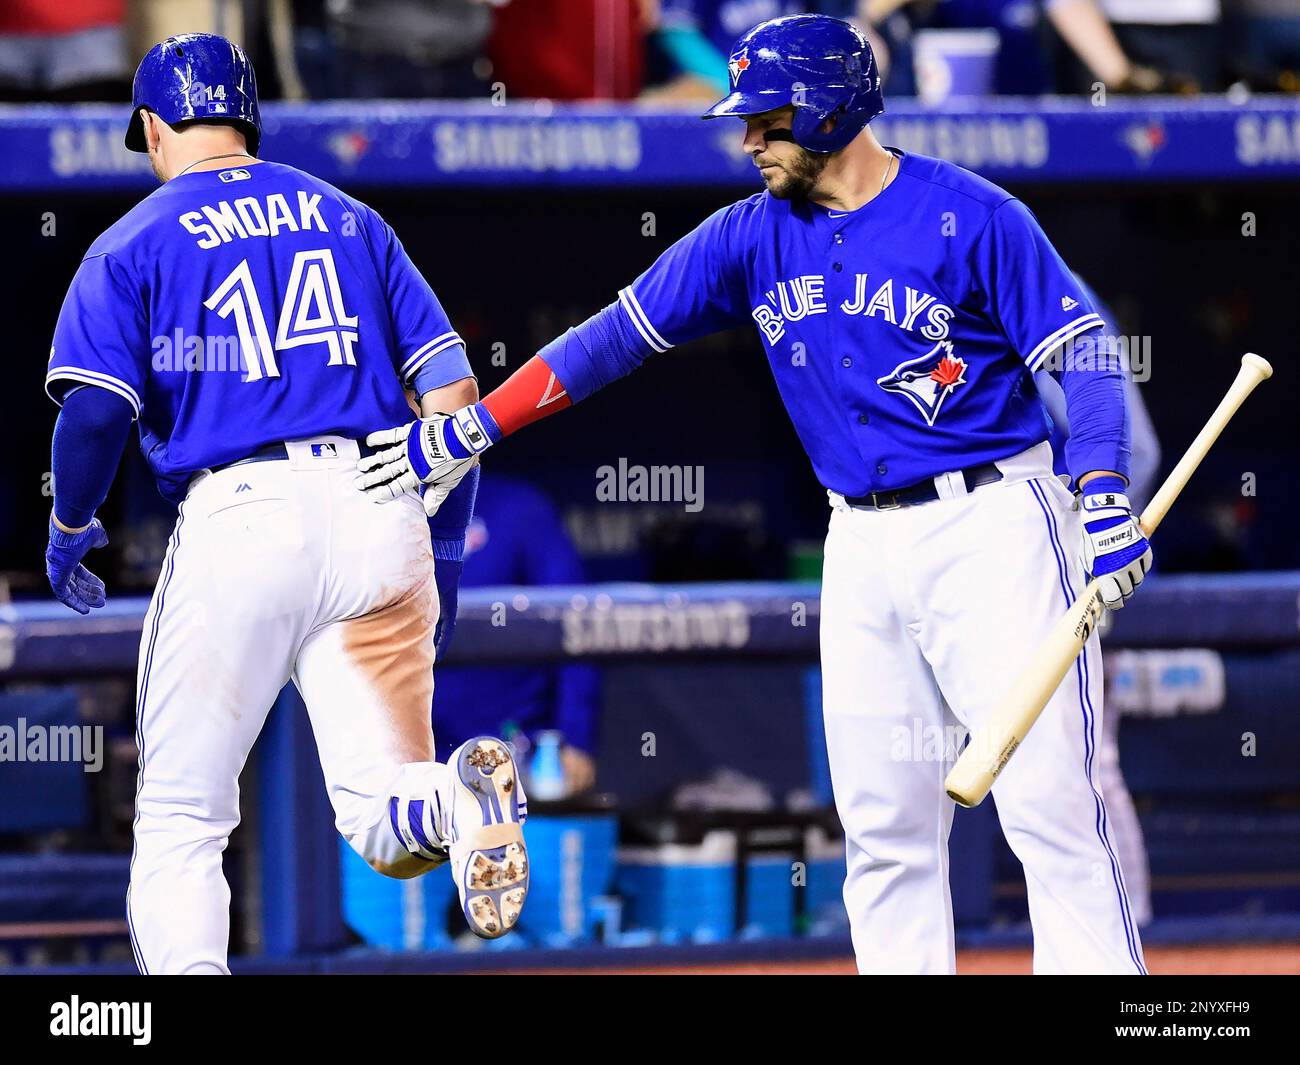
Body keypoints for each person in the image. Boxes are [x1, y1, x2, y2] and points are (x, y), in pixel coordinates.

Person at [358, 13, 1152, 974]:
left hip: (997, 520)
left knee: (1054, 815)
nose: (747, 140)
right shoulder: (750, 235)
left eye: (768, 119)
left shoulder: (972, 214)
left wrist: (1101, 486)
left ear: (828, 110)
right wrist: (479, 423)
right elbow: (613, 335)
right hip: (859, 540)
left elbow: (1089, 355)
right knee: (884, 829)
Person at [42, 32, 527, 974]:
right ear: (248, 116)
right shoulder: (351, 216)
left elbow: (96, 412)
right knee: (387, 819)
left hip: (244, 512)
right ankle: (456, 803)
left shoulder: (131, 241)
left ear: (151, 127)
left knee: (184, 813)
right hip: (380, 502)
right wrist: (447, 555)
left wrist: (70, 524)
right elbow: (456, 401)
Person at [433, 475, 601, 794]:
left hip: (517, 756)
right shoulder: (383, 514)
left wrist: (577, 736)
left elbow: (577, 621)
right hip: (416, 752)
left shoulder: (518, 508)